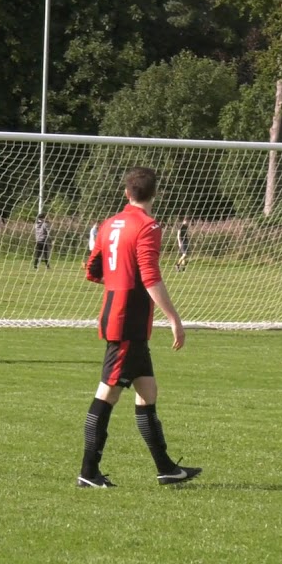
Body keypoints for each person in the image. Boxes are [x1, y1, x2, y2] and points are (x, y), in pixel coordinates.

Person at [77, 167, 201, 488]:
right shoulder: (148, 226)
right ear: (154, 193)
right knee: (108, 393)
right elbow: (150, 276)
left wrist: (118, 281)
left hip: (116, 314)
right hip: (127, 321)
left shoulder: (108, 224)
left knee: (147, 391)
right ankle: (88, 472)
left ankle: (166, 468)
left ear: (126, 193)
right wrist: (174, 318)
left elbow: (91, 269)